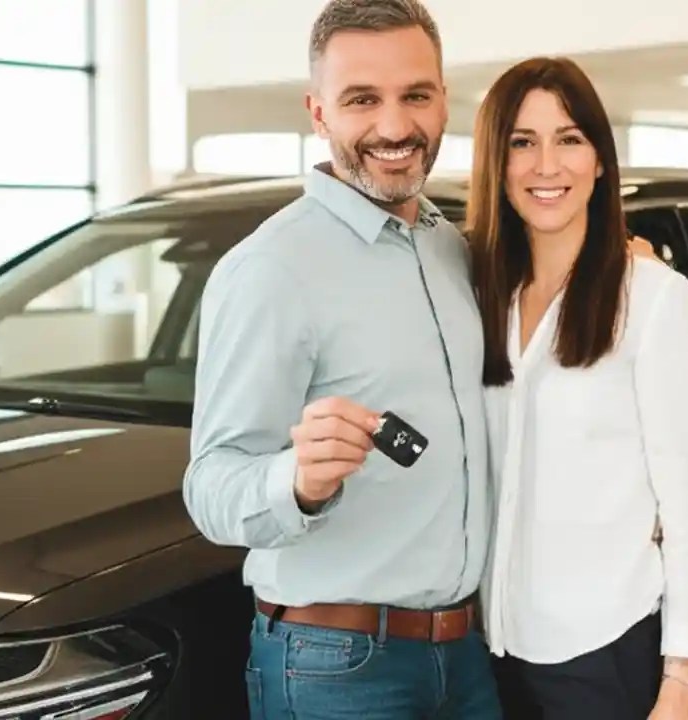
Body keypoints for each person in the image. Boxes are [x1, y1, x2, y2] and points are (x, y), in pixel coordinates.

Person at [182, 1, 502, 717]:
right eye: (362, 99)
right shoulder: (270, 268)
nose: (394, 127)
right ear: (319, 112)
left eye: (415, 94)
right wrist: (296, 482)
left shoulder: (451, 251)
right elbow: (210, 486)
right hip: (338, 670)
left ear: (444, 98)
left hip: (466, 654)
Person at [468, 57, 688, 720]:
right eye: (522, 143)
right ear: (496, 165)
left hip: (603, 653)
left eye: (569, 139)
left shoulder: (655, 302)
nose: (546, 166)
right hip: (488, 654)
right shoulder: (479, 297)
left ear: (600, 160)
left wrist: (682, 678)